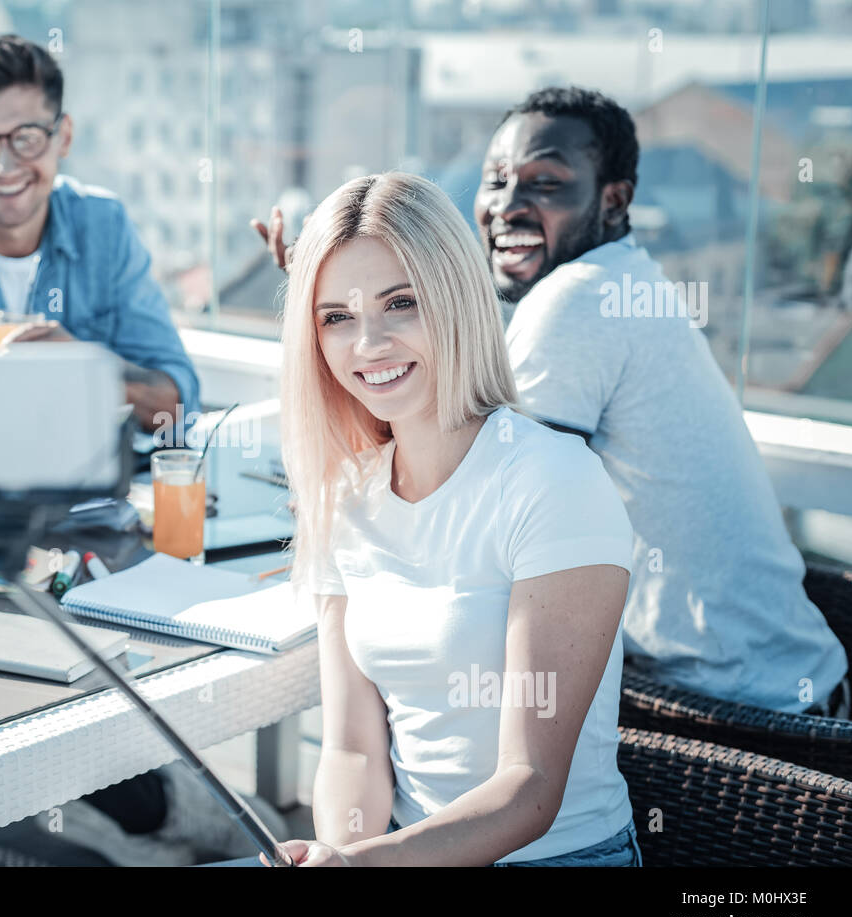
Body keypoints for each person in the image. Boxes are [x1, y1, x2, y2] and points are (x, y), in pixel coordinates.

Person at [254, 87, 849, 719]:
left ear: (613, 200)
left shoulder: (580, 300)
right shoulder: (625, 280)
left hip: (732, 713)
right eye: (497, 181)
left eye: (546, 183)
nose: (508, 205)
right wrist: (352, 283)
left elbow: (473, 483)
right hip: (774, 681)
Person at [230, 171, 640, 867]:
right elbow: (351, 749)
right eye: (337, 317)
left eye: (401, 304)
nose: (370, 344)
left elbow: (528, 792)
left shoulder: (553, 481)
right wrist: (340, 853)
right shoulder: (345, 495)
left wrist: (365, 866)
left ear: (455, 300)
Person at [0, 34, 200, 432]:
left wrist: (89, 366)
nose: (4, 165)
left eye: (26, 137)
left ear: (63, 136)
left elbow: (177, 405)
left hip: (96, 484)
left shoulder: (104, 225)